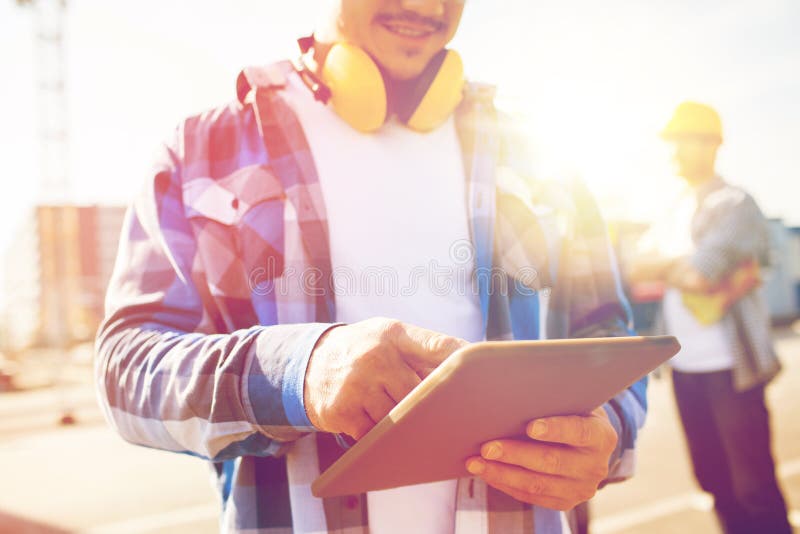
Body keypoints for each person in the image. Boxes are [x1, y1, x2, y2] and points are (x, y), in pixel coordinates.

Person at [95, 1, 648, 532]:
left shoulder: (540, 153)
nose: (422, 4)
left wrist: (608, 432)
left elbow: (607, 331)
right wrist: (301, 372)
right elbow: (124, 372)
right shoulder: (198, 148)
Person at [628, 101, 790, 534]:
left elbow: (700, 274)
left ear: (714, 144)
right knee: (713, 480)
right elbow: (634, 267)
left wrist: (672, 267)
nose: (675, 151)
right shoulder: (671, 209)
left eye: (686, 140)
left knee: (753, 487)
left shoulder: (735, 203)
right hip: (685, 367)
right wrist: (681, 267)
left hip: (731, 367)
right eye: (672, 141)